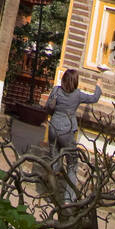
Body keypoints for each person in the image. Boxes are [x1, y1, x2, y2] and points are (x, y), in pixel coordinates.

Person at [44, 68, 102, 203]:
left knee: (54, 161)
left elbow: (48, 106)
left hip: (53, 128)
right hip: (67, 132)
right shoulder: (77, 95)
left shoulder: (56, 90)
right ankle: (68, 198)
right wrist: (98, 86)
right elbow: (94, 98)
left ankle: (52, 194)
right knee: (72, 164)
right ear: (76, 81)